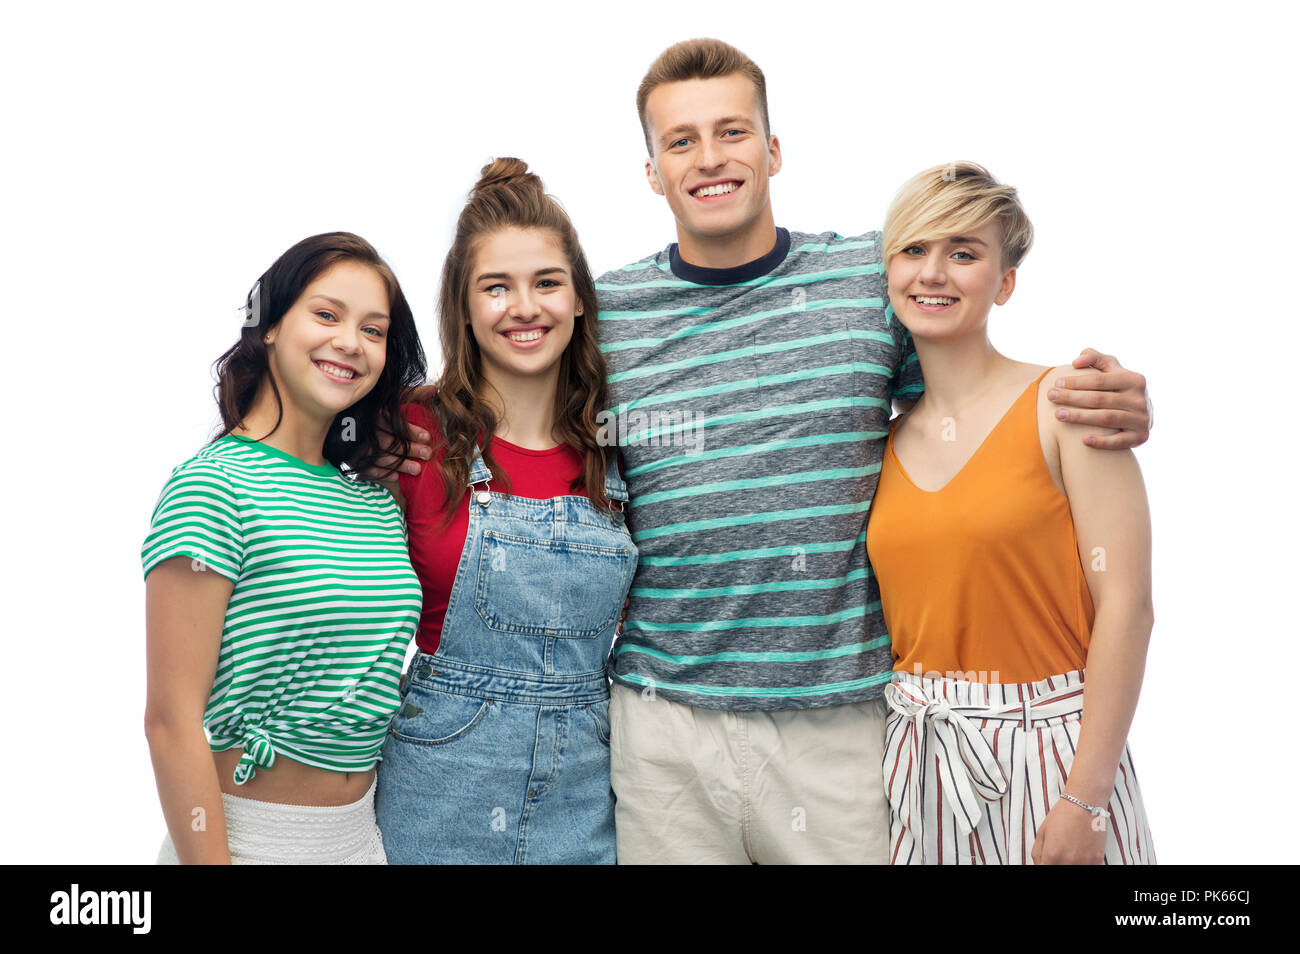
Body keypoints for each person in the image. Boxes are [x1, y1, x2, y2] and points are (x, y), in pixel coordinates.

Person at [388, 38, 1153, 864]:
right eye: (680, 141)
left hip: (839, 726)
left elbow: (963, 367)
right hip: (661, 730)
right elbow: (515, 387)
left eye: (732, 132)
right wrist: (397, 432)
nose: (709, 159)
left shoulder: (868, 281)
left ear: (774, 148)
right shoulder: (606, 313)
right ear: (651, 171)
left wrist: (1092, 400)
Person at [868, 161, 1156, 865]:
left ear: (1004, 282)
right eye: (914, 249)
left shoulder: (1068, 404)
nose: (933, 272)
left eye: (963, 253)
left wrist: (1085, 800)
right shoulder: (878, 444)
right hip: (921, 761)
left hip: (1058, 755)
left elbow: (1128, 606)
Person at [373, 158, 636, 865]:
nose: (525, 308)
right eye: (497, 287)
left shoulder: (616, 446)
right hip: (436, 790)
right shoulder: (406, 431)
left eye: (547, 283)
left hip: (585, 793)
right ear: (463, 305)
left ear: (580, 298)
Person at [142, 231, 428, 864]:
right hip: (245, 843)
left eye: (374, 330)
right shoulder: (213, 486)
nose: (350, 342)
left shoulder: (374, 503)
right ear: (269, 326)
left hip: (362, 841)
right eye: (326, 314)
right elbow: (170, 724)